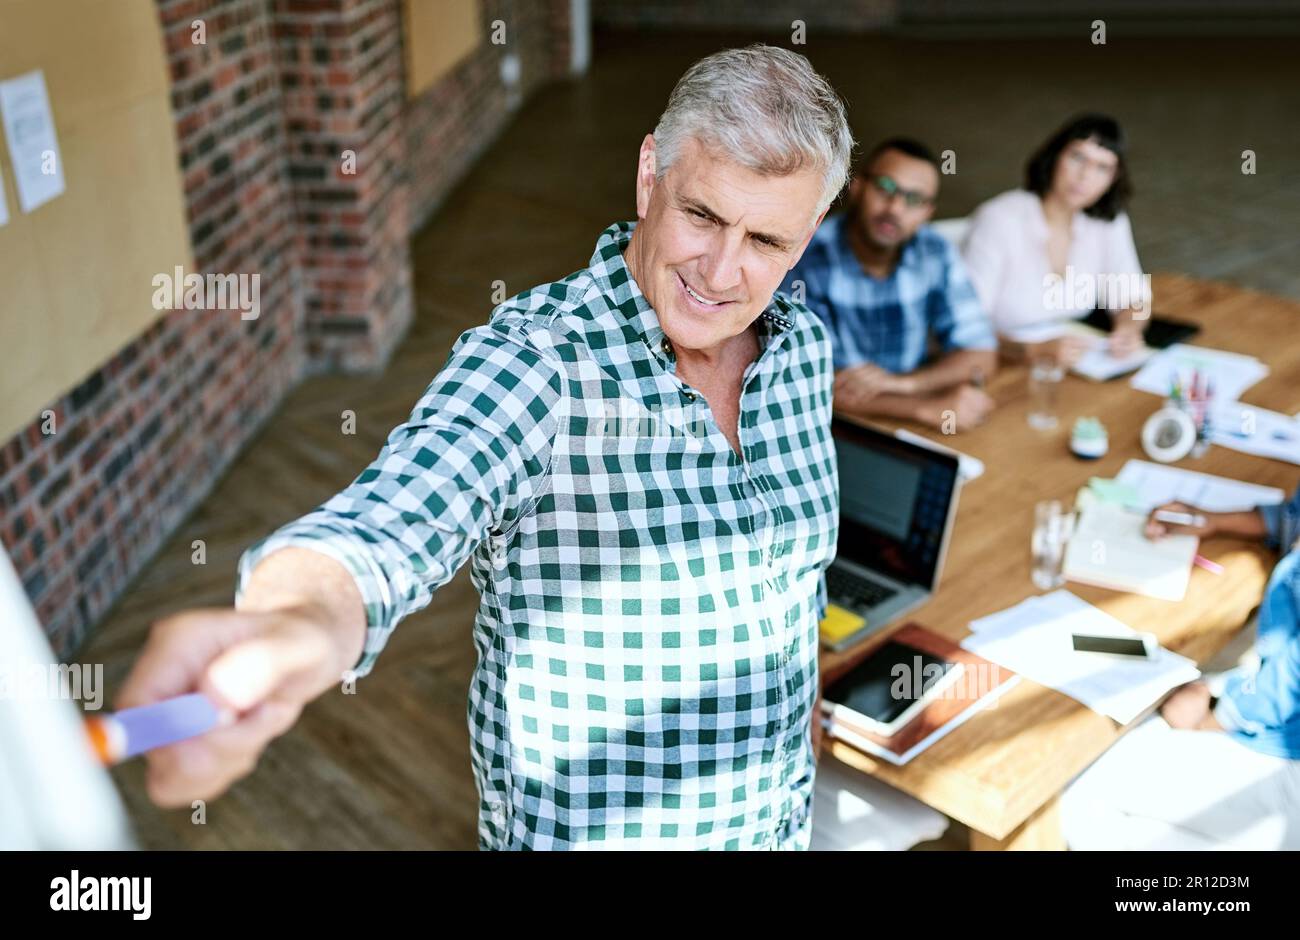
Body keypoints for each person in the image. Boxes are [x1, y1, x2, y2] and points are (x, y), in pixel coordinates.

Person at [115, 45, 854, 851]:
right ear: (650, 176)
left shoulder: (803, 350)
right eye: (702, 215)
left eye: (767, 242)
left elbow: (791, 592)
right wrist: (298, 621)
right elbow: (391, 520)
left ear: (810, 232)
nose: (721, 271)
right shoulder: (537, 366)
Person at [1059, 485, 1300, 849]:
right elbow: (1290, 517)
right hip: (1271, 687)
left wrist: (1212, 715)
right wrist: (1212, 521)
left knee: (1079, 792)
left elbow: (1284, 687)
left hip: (1282, 751)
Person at [781, 138, 997, 432]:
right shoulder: (807, 257)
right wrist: (921, 408)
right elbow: (803, 384)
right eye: (886, 188)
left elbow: (981, 354)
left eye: (914, 200)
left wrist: (906, 384)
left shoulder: (934, 251)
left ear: (926, 213)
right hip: (829, 427)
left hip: (909, 421)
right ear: (857, 187)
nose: (895, 208)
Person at [962, 114, 1150, 368]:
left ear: (1113, 179)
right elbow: (963, 324)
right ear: (1054, 157)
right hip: (996, 366)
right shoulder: (999, 219)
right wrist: (1029, 351)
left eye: (1102, 167)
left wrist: (1129, 328)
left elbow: (1134, 298)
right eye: (1077, 158)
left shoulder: (1107, 222)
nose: (1085, 176)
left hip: (1074, 367)